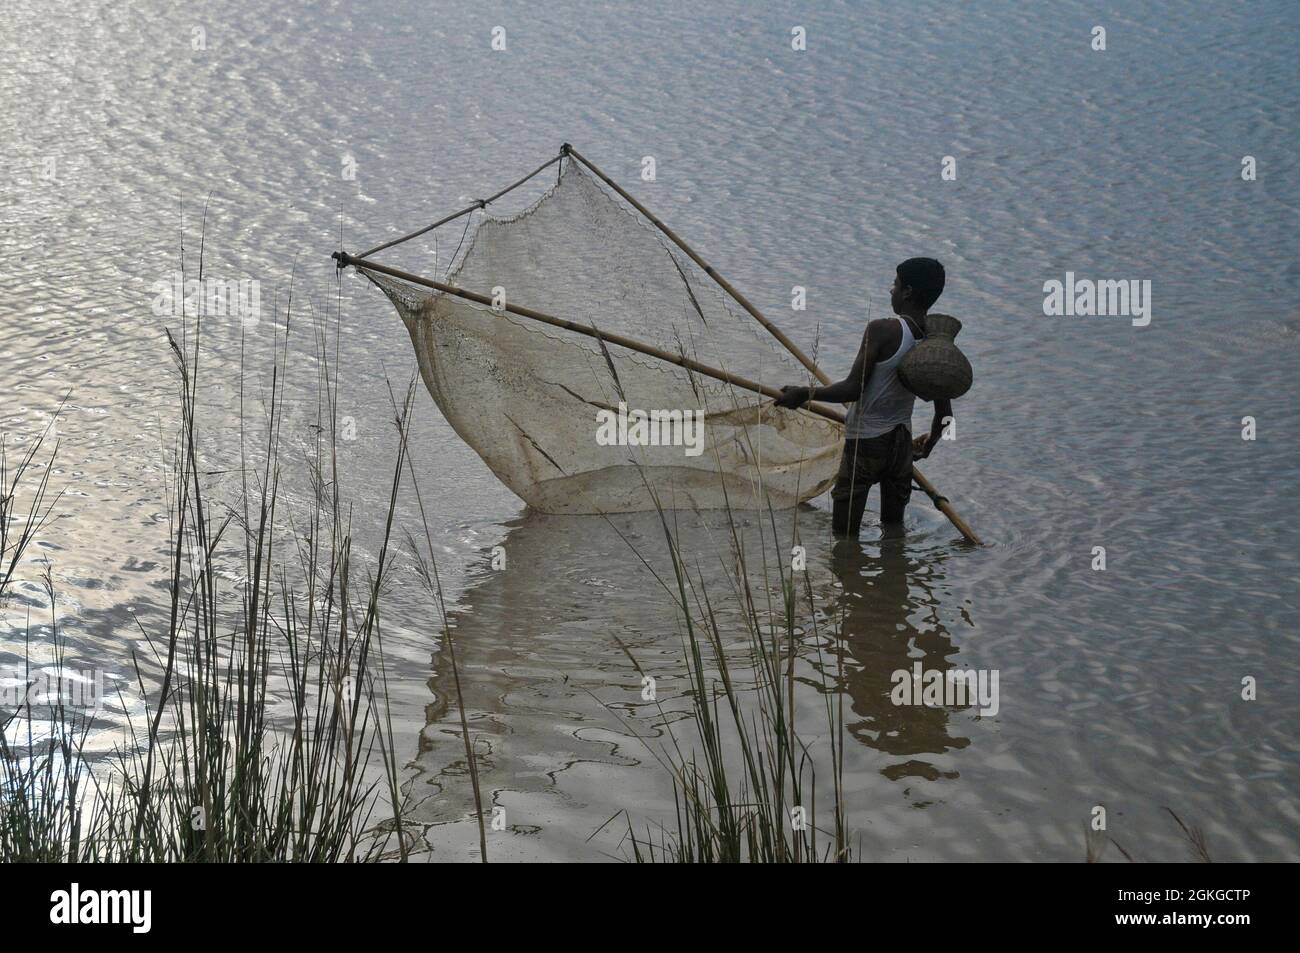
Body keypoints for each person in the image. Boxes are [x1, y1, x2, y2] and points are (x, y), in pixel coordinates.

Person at [775, 258, 953, 537]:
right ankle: (893, 573)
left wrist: (804, 394)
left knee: (844, 536)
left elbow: (851, 390)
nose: (890, 291)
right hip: (901, 446)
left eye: (894, 285)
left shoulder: (883, 330)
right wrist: (927, 445)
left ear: (906, 291)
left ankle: (851, 573)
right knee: (894, 532)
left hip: (865, 444)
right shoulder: (937, 346)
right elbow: (944, 416)